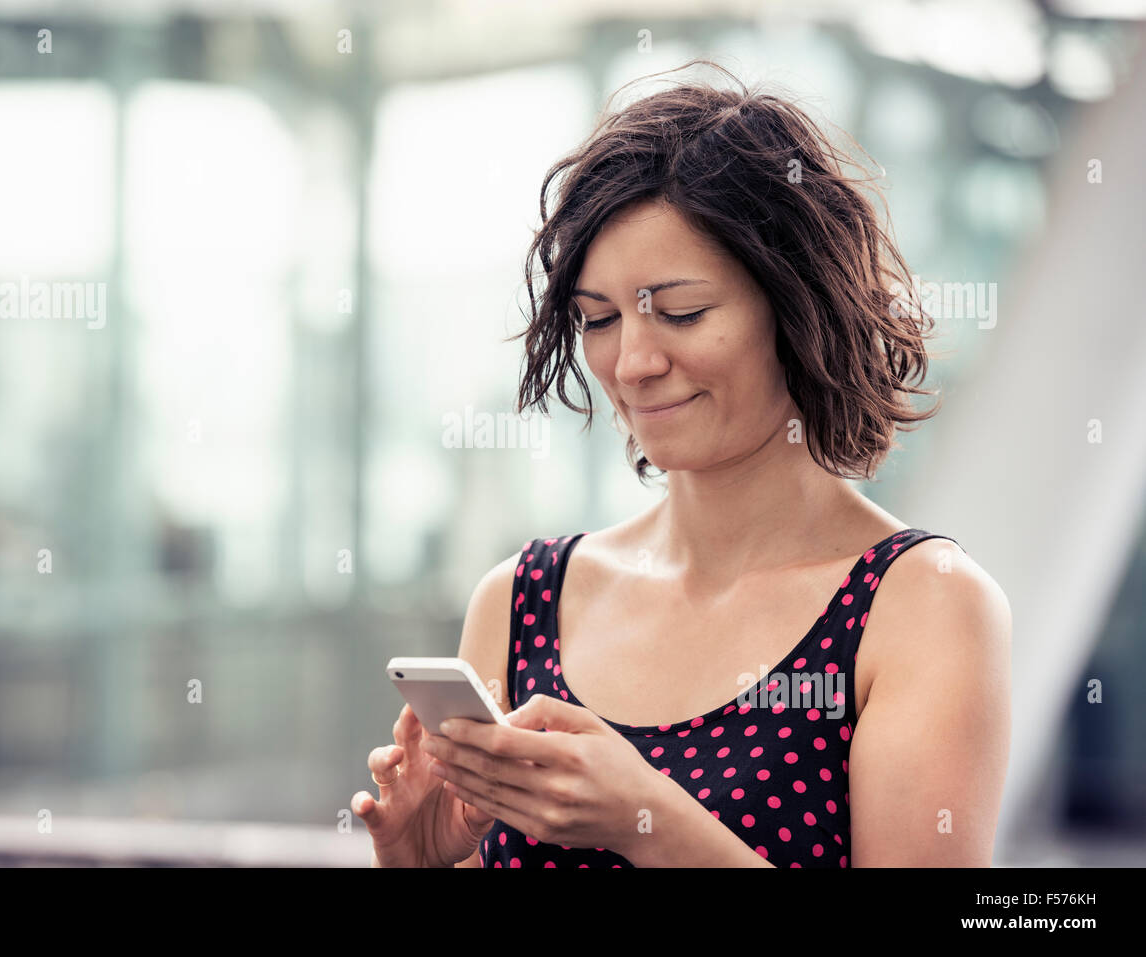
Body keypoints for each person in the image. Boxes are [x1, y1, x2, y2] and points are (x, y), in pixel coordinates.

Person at [351, 59, 1011, 868]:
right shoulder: (521, 601)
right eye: (597, 320)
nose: (631, 362)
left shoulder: (922, 608)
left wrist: (649, 819)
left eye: (683, 312)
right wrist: (416, 862)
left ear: (796, 305)